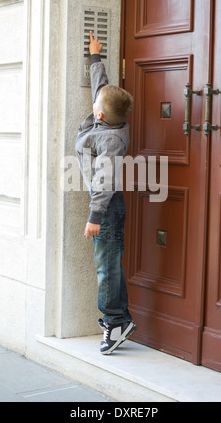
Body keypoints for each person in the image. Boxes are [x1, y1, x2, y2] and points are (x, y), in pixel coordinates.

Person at [75, 31, 137, 355]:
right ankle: (121, 318)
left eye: (95, 103)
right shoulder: (108, 118)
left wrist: (95, 218)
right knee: (110, 264)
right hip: (107, 208)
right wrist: (94, 57)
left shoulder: (110, 142)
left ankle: (114, 324)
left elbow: (105, 182)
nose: (94, 99)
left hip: (107, 208)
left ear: (99, 114)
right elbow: (102, 89)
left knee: (106, 267)